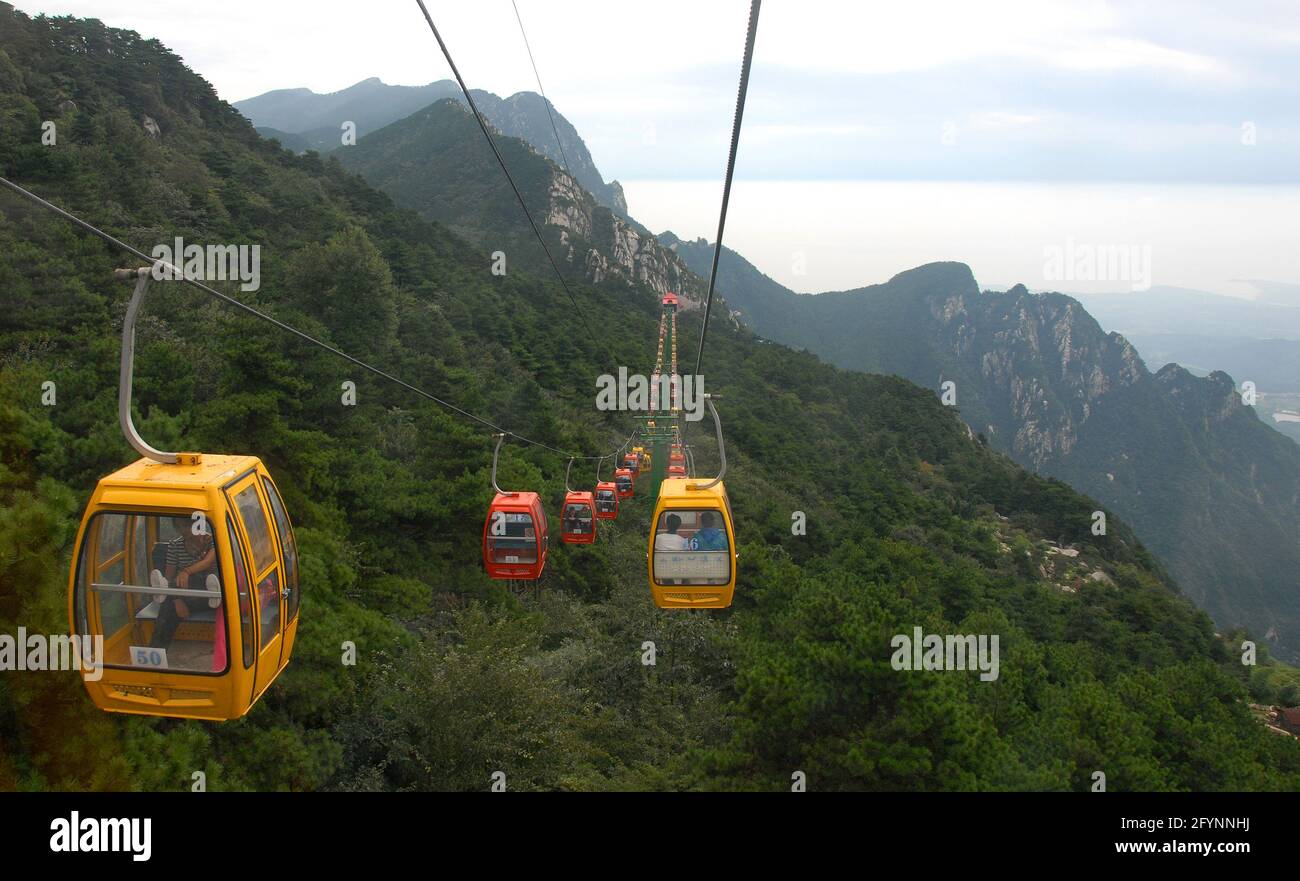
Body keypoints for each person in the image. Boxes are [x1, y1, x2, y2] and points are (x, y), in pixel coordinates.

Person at [150, 518, 217, 650]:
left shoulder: (214, 541)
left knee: (199, 578)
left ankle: (212, 591)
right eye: (180, 527)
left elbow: (208, 562)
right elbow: (170, 576)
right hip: (187, 594)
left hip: (209, 592)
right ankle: (156, 653)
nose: (184, 531)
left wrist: (186, 571)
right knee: (169, 608)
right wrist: (177, 599)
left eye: (187, 526)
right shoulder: (175, 546)